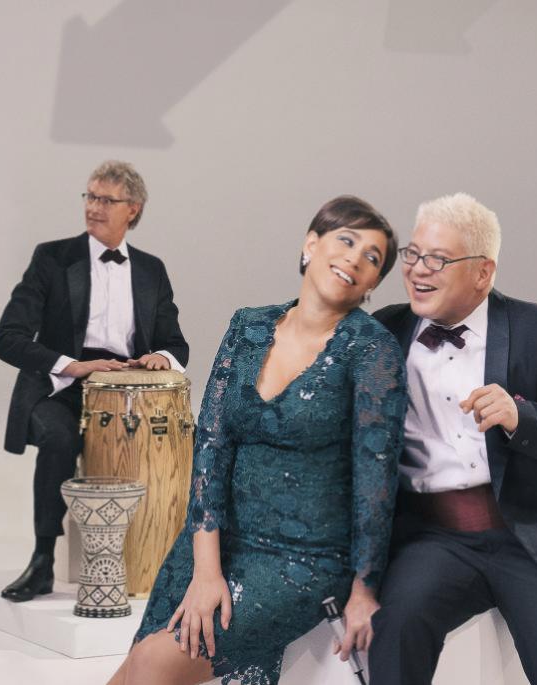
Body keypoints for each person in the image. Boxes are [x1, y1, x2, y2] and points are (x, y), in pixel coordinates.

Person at [108, 196, 406, 685]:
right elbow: (211, 446)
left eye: (372, 257)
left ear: (373, 283)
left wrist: (364, 590)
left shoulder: (371, 350)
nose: (356, 258)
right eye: (346, 241)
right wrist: (206, 569)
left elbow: (377, 479)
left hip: (302, 559)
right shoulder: (248, 326)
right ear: (311, 245)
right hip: (215, 541)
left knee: (153, 664)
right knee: (130, 671)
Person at [363, 194, 537, 683]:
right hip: (433, 541)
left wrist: (521, 416)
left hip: (529, 535)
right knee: (394, 633)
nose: (417, 270)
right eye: (412, 255)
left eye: (437, 259)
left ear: (482, 272)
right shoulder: (385, 331)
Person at [0, 160, 189, 602]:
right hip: (59, 386)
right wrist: (69, 364)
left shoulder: (151, 270)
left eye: (107, 200)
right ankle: (43, 559)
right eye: (90, 197)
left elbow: (176, 343)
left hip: (123, 392)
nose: (94, 208)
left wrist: (161, 356)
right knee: (60, 440)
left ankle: (150, 557)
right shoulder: (52, 258)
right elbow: (8, 339)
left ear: (132, 210)